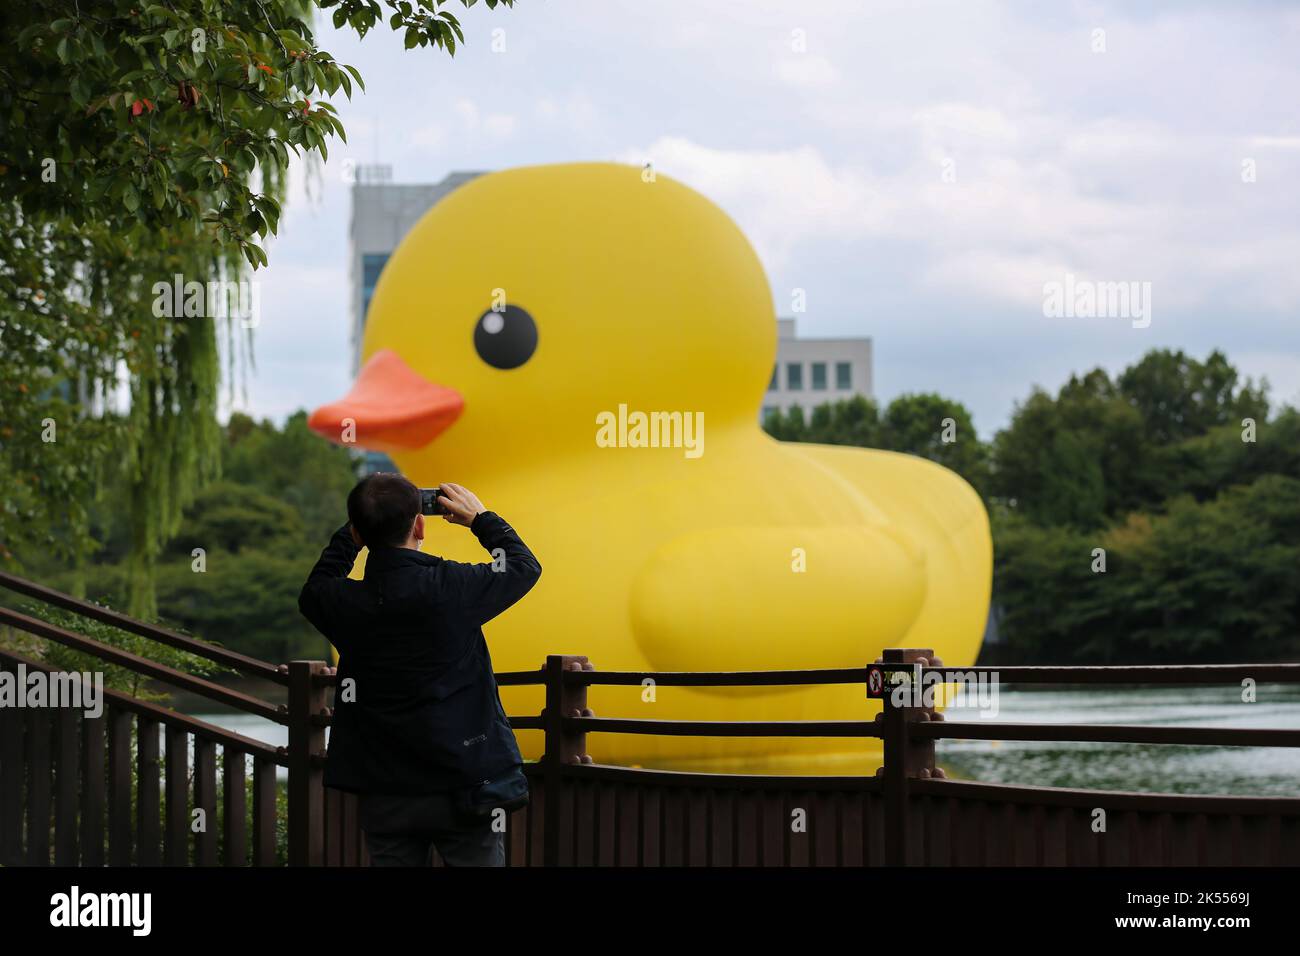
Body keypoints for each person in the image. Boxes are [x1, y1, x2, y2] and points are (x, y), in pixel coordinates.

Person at [297, 473, 541, 866]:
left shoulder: (342, 601)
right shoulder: (454, 586)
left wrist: (354, 533)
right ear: (420, 523)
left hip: (384, 787)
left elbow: (315, 588)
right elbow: (524, 567)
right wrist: (480, 519)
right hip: (465, 784)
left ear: (358, 531)